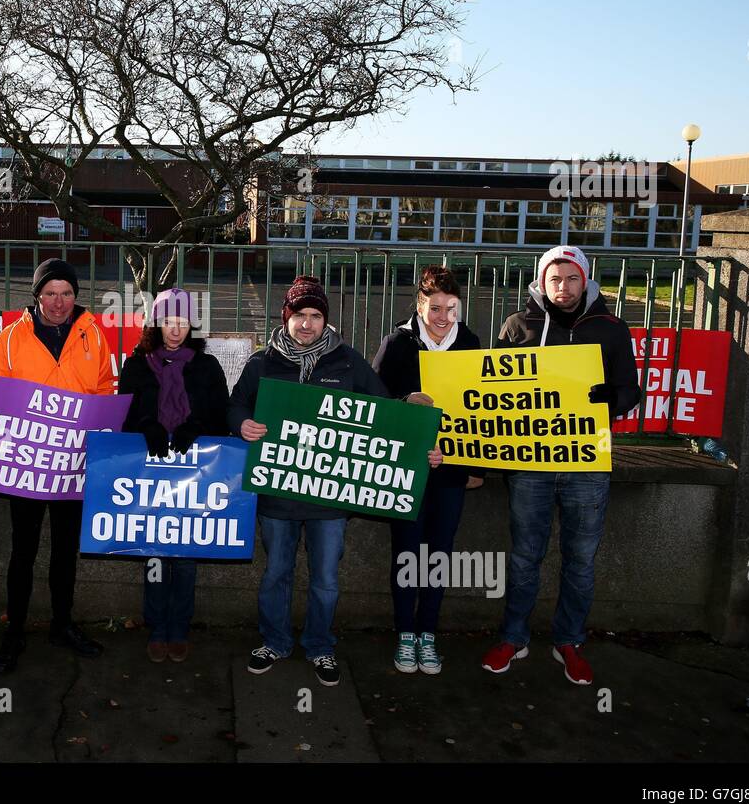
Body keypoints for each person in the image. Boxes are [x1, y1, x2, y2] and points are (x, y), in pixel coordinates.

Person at [230, 275, 442, 687]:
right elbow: (236, 403)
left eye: (315, 316)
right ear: (285, 317)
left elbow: (385, 416)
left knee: (326, 578)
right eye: (299, 316)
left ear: (325, 320)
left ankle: (320, 645)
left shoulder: (348, 361)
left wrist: (419, 439)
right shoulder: (262, 361)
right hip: (277, 493)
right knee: (276, 572)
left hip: (331, 496)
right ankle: (274, 640)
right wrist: (242, 424)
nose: (307, 324)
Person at [481, 244, 641, 686]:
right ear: (541, 281)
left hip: (587, 461)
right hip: (531, 462)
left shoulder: (610, 327)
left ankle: (569, 640)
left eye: (572, 278)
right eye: (555, 278)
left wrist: (612, 399)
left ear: (585, 279)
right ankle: (513, 637)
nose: (564, 287)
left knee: (581, 559)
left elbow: (631, 389)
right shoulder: (518, 325)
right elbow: (490, 390)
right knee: (525, 556)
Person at [0, 258, 116, 674]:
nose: (59, 303)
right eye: (50, 294)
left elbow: (107, 389)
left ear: (77, 296)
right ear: (37, 296)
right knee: (23, 550)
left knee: (64, 551)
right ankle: (15, 631)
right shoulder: (10, 339)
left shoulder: (94, 333)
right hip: (27, 463)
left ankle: (62, 623)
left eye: (67, 293)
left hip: (73, 462)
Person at [373, 264, 485, 676]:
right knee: (406, 553)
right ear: (420, 305)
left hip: (452, 472)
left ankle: (427, 634)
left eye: (450, 308)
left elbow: (483, 409)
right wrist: (405, 404)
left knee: (439, 555)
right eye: (434, 307)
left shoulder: (470, 343)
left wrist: (475, 467)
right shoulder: (397, 344)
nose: (442, 316)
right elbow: (375, 404)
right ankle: (405, 633)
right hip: (406, 471)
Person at [118, 287, 230, 663]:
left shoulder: (206, 365)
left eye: (183, 322)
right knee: (153, 553)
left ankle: (179, 625)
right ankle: (156, 625)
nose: (176, 330)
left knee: (184, 554)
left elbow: (220, 413)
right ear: (157, 322)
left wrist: (194, 426)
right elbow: (125, 410)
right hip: (147, 472)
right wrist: (147, 424)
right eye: (169, 321)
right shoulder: (136, 364)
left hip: (192, 475)